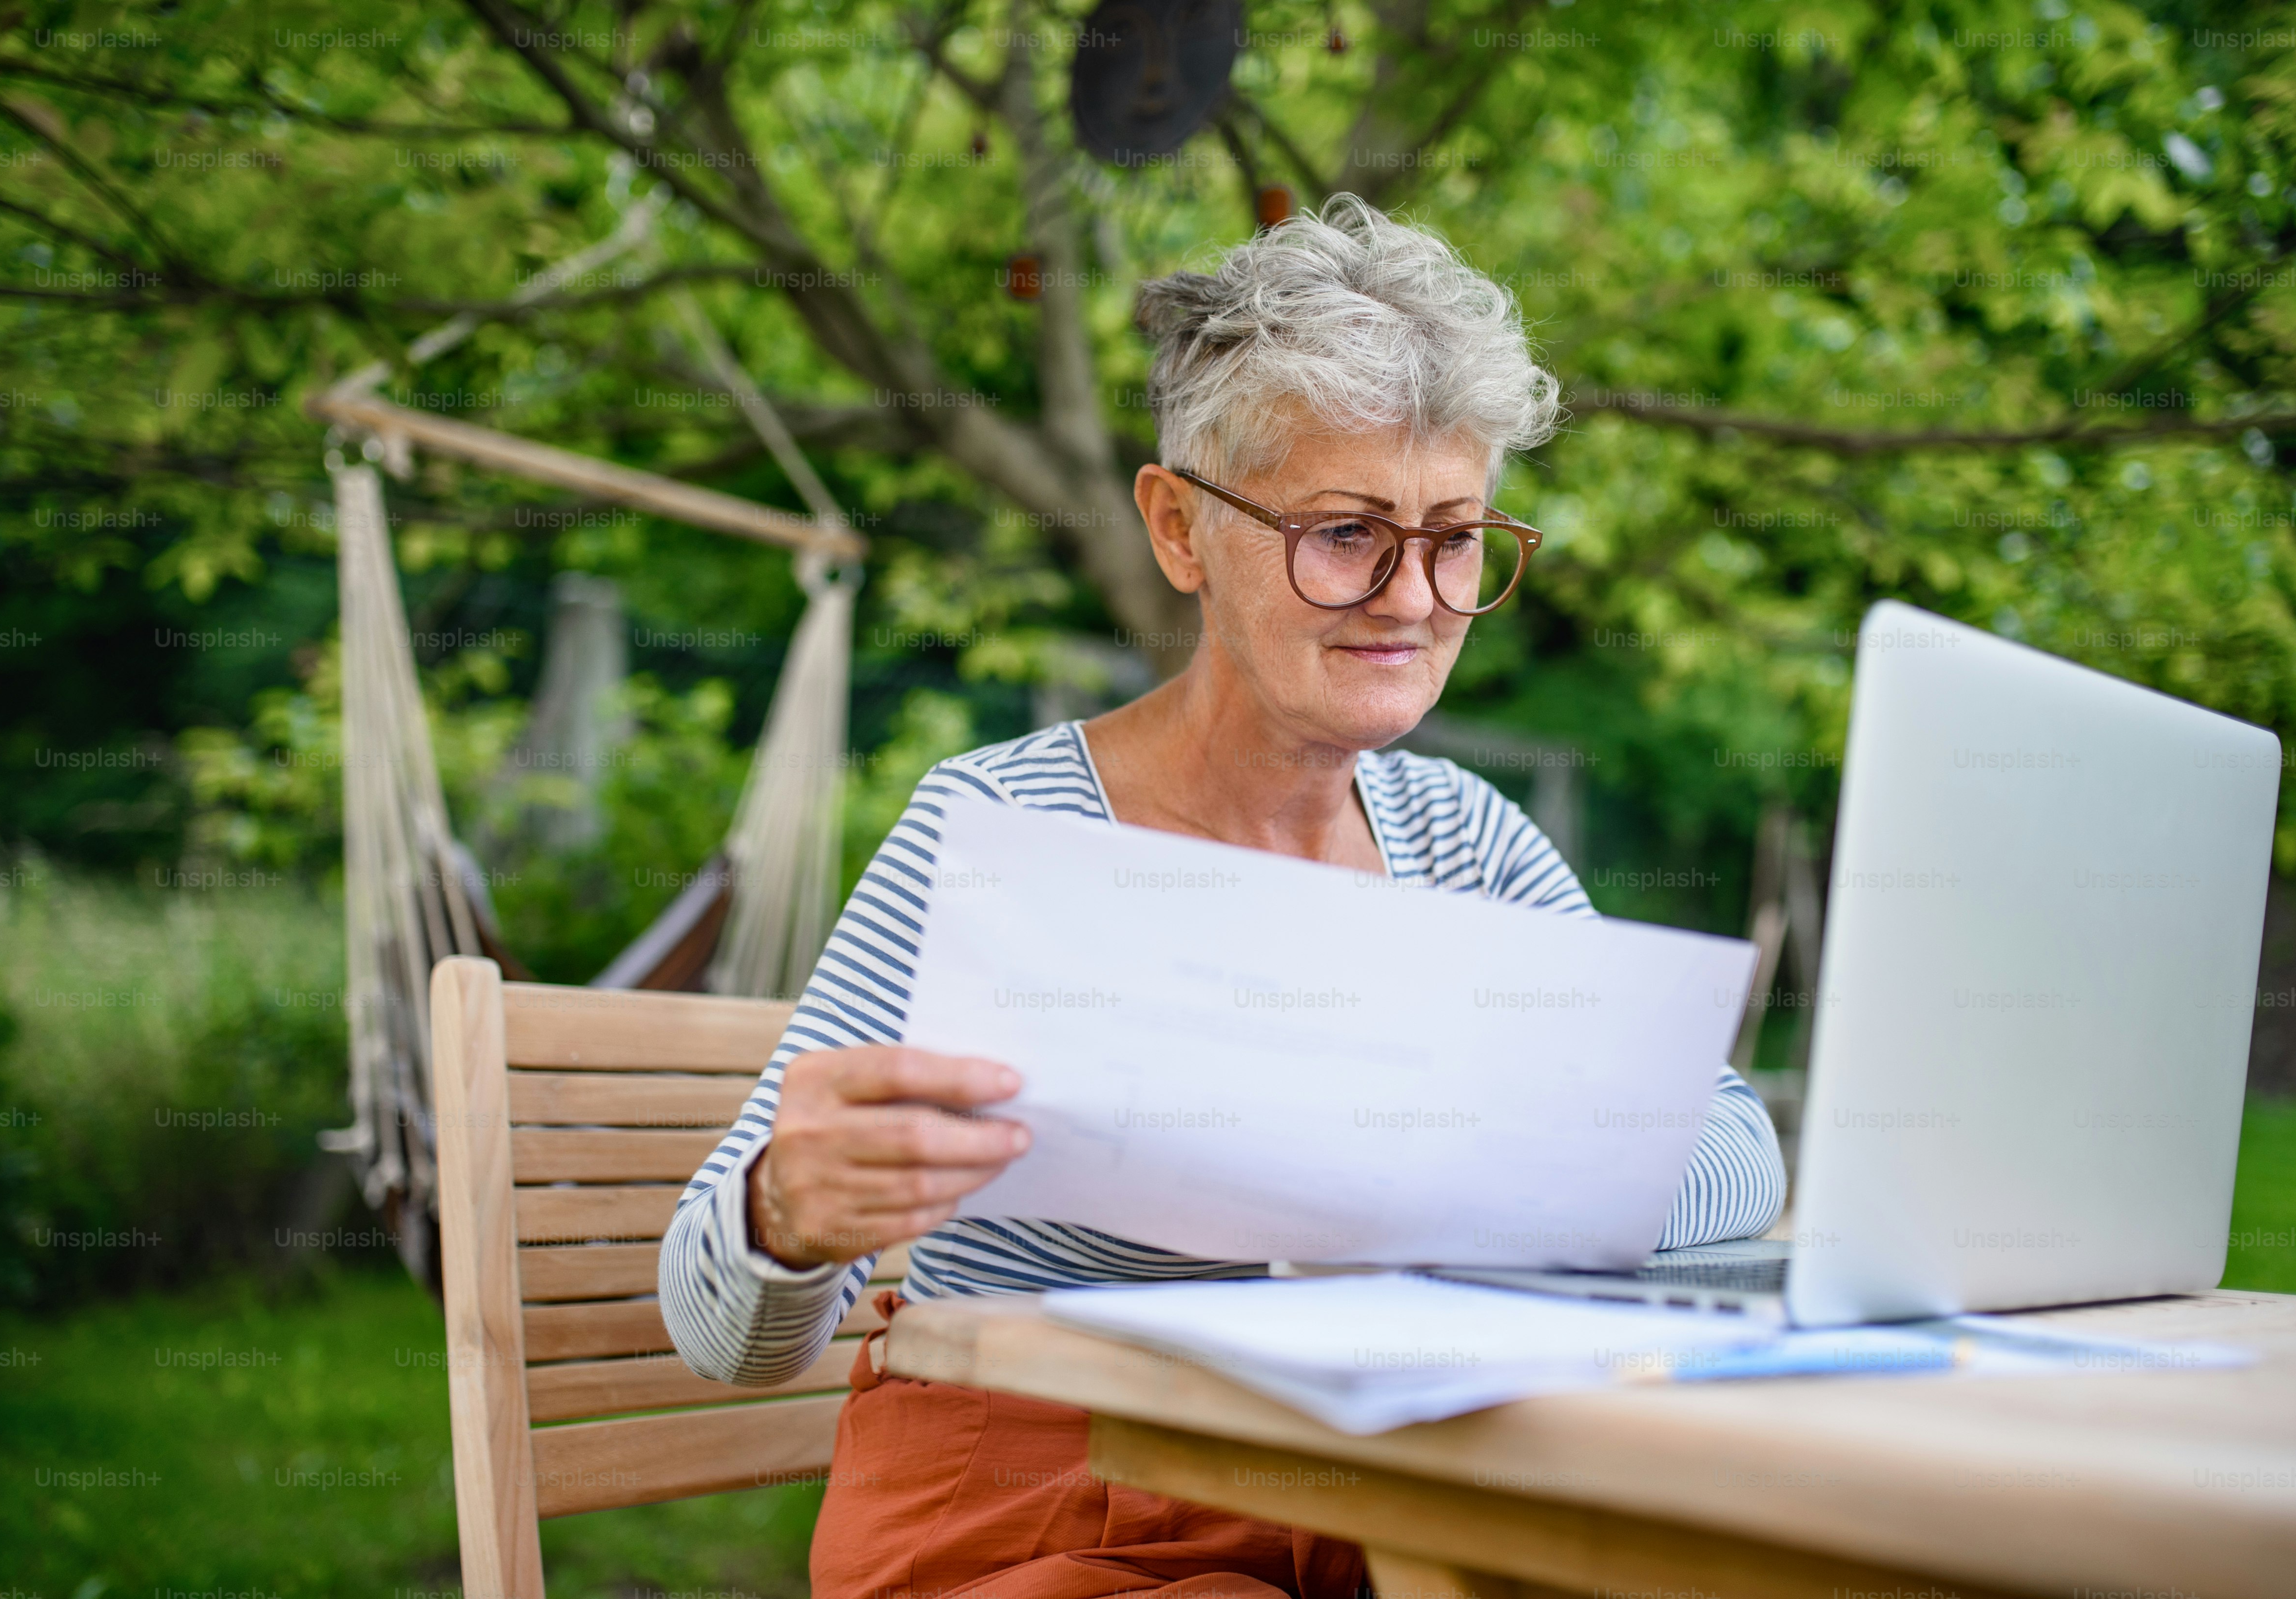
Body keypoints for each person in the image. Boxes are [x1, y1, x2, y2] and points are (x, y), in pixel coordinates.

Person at [662, 195, 1787, 1599]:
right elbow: (723, 1328)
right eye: (1345, 533)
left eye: (1452, 535)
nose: (1414, 597)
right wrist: (789, 1213)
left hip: (1396, 1492)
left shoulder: (1464, 842)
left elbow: (1738, 1152)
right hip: (1053, 1512)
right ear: (1182, 528)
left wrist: (1432, 1175)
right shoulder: (1004, 829)